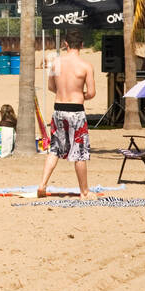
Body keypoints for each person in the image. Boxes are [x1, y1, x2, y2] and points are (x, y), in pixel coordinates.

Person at [38, 29, 97, 198]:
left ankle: (42, 185)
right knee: (79, 152)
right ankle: (84, 191)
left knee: (54, 150)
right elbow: (91, 93)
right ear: (82, 45)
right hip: (76, 111)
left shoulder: (56, 63)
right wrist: (80, 95)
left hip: (58, 109)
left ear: (66, 44)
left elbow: (51, 87)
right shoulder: (86, 66)